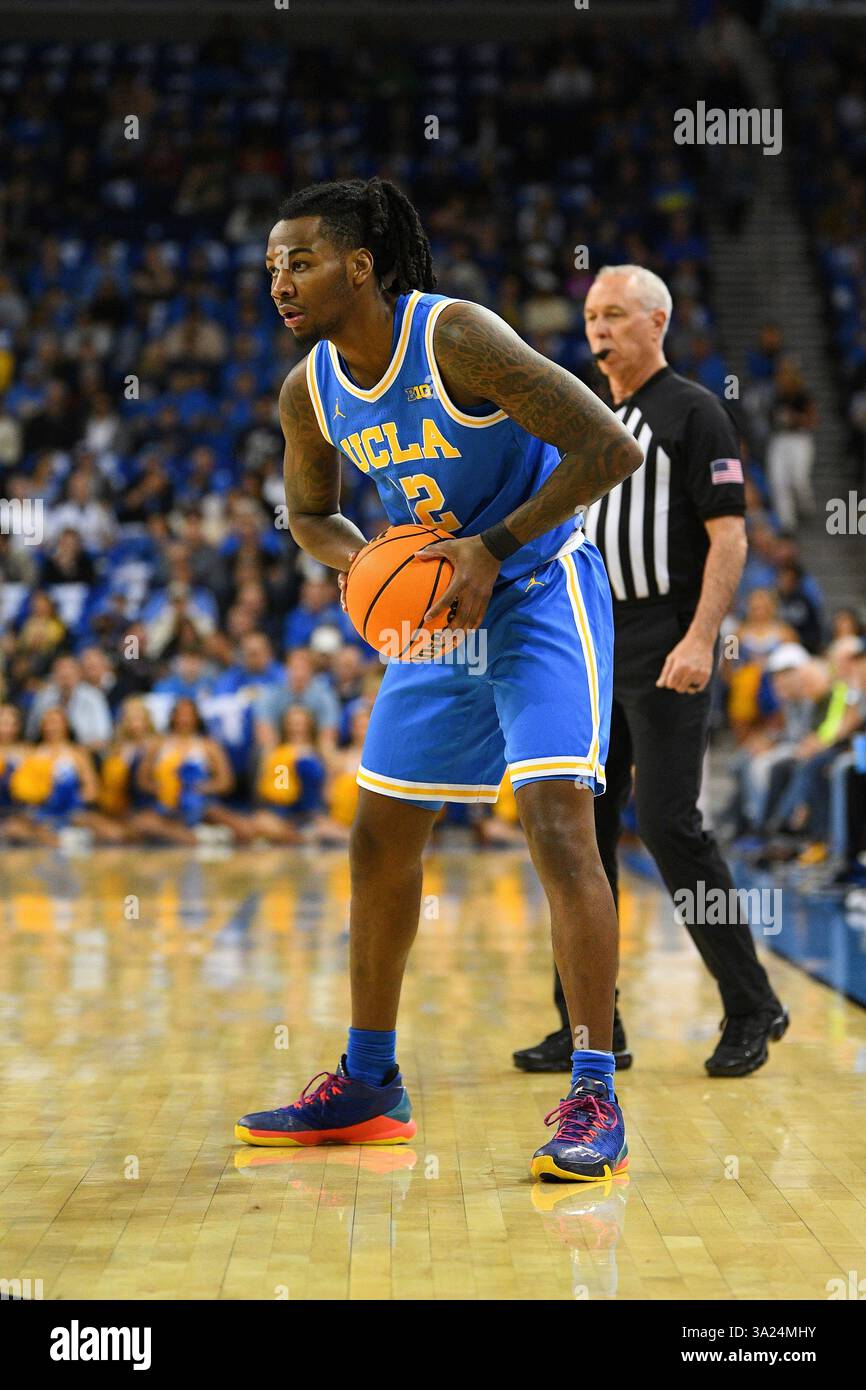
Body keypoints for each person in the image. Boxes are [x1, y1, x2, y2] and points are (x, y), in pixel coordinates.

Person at [235, 176, 642, 1182]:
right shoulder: (308, 391)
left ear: (361, 266)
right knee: (378, 835)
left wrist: (489, 548)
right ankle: (369, 1083)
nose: (280, 281)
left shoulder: (453, 337)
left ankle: (592, 1088)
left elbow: (607, 447)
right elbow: (310, 514)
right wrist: (368, 563)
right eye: (272, 266)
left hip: (538, 583)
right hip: (437, 607)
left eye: (302, 260)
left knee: (555, 816)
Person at [515, 265, 789, 1080]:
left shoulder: (693, 411)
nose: (597, 330)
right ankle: (592, 1028)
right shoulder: (584, 417)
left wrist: (704, 636)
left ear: (656, 322)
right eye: (591, 316)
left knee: (670, 824)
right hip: (589, 639)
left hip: (668, 636)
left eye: (614, 316)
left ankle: (751, 1005)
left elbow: (730, 538)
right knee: (577, 833)